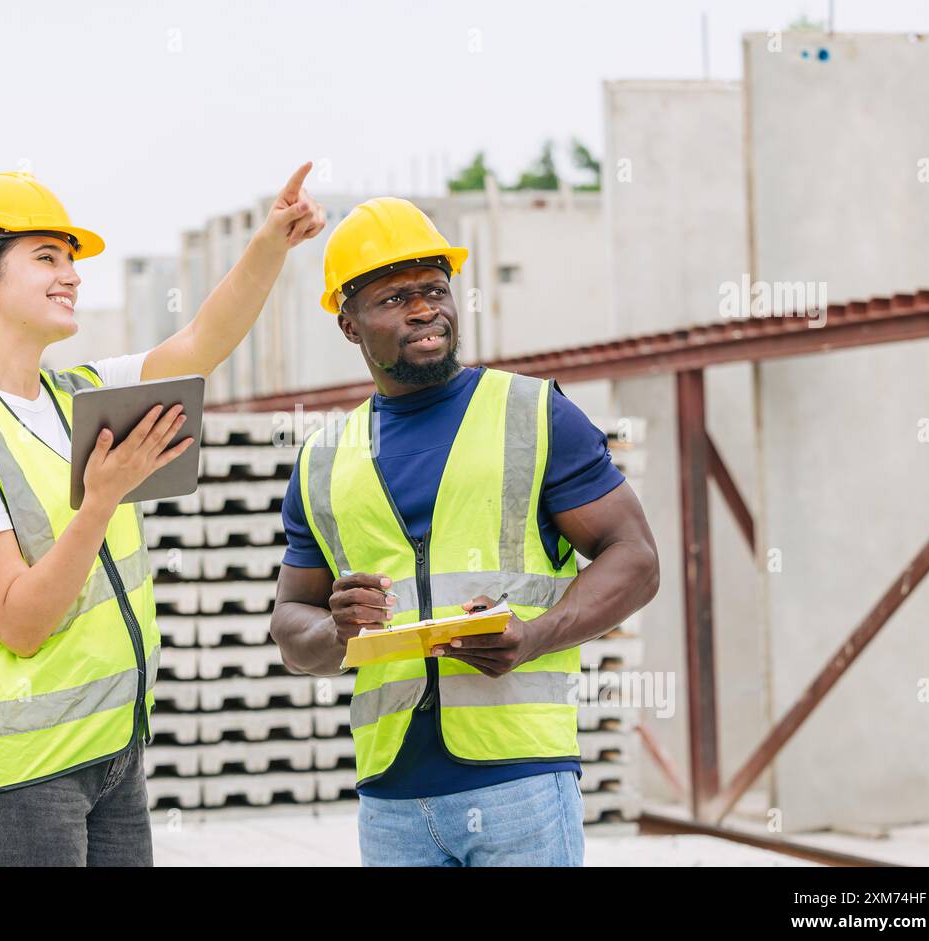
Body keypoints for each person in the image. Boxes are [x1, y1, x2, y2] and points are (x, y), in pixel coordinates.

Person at [0, 165, 325, 866]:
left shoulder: (85, 394)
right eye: (47, 258)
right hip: (15, 781)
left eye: (71, 260)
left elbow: (202, 343)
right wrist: (101, 498)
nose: (70, 275)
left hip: (110, 756)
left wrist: (271, 244)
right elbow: (20, 622)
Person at [270, 197, 659, 867]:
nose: (424, 310)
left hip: (521, 783)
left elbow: (636, 559)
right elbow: (290, 626)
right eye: (394, 298)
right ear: (348, 324)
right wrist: (336, 631)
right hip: (391, 798)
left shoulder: (534, 413)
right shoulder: (324, 459)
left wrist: (534, 636)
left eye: (434, 290)